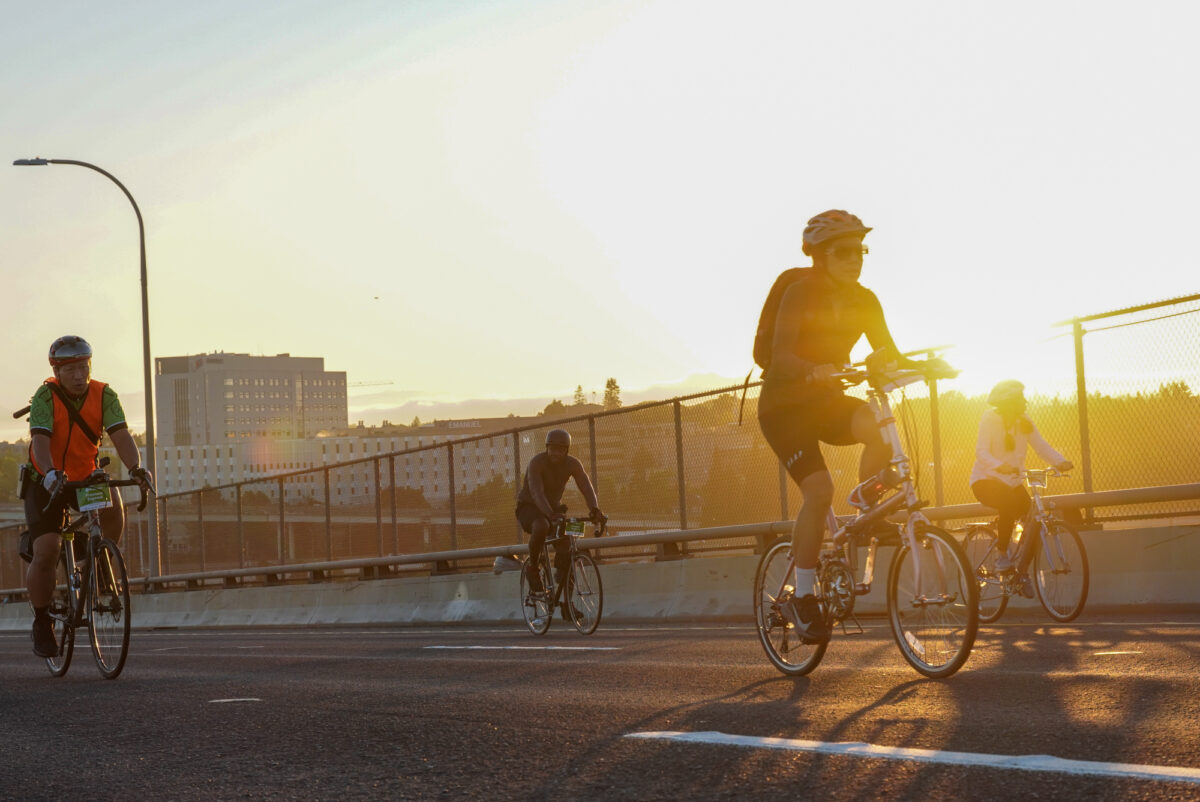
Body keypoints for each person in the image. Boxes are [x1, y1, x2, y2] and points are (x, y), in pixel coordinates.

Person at [757, 209, 937, 644]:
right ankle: (802, 596)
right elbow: (774, 356)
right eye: (844, 251)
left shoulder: (866, 300)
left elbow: (887, 353)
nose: (855, 258)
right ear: (819, 256)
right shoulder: (799, 293)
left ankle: (868, 503)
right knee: (818, 491)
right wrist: (811, 369)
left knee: (877, 421)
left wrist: (930, 366)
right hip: (784, 408)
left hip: (826, 402)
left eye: (860, 250)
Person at [23, 335, 153, 658]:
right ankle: (42, 621)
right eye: (71, 370)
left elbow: (121, 435)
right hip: (46, 481)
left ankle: (101, 568)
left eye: (84, 367)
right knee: (47, 549)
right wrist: (51, 473)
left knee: (113, 512)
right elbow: (40, 441)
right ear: (57, 370)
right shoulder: (45, 396)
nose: (80, 375)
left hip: (83, 478)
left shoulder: (104, 394)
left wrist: (137, 468)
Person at [970, 379, 1072, 594]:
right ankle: (1001, 555)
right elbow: (981, 452)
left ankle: (1022, 573)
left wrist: (1059, 462)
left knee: (1034, 521)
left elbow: (1041, 446)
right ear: (1008, 402)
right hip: (985, 480)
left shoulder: (1024, 420)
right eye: (1020, 399)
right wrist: (1000, 466)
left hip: (1013, 482)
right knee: (1007, 503)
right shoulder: (989, 418)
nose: (1025, 402)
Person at [514, 429, 604, 614]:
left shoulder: (573, 464)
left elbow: (586, 486)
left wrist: (594, 509)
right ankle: (532, 568)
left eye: (560, 450)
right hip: (529, 507)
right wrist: (550, 514)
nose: (556, 453)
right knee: (542, 525)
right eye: (552, 449)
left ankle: (567, 604)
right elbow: (537, 492)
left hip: (554, 509)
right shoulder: (536, 463)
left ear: (566, 451)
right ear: (547, 448)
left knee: (571, 545)